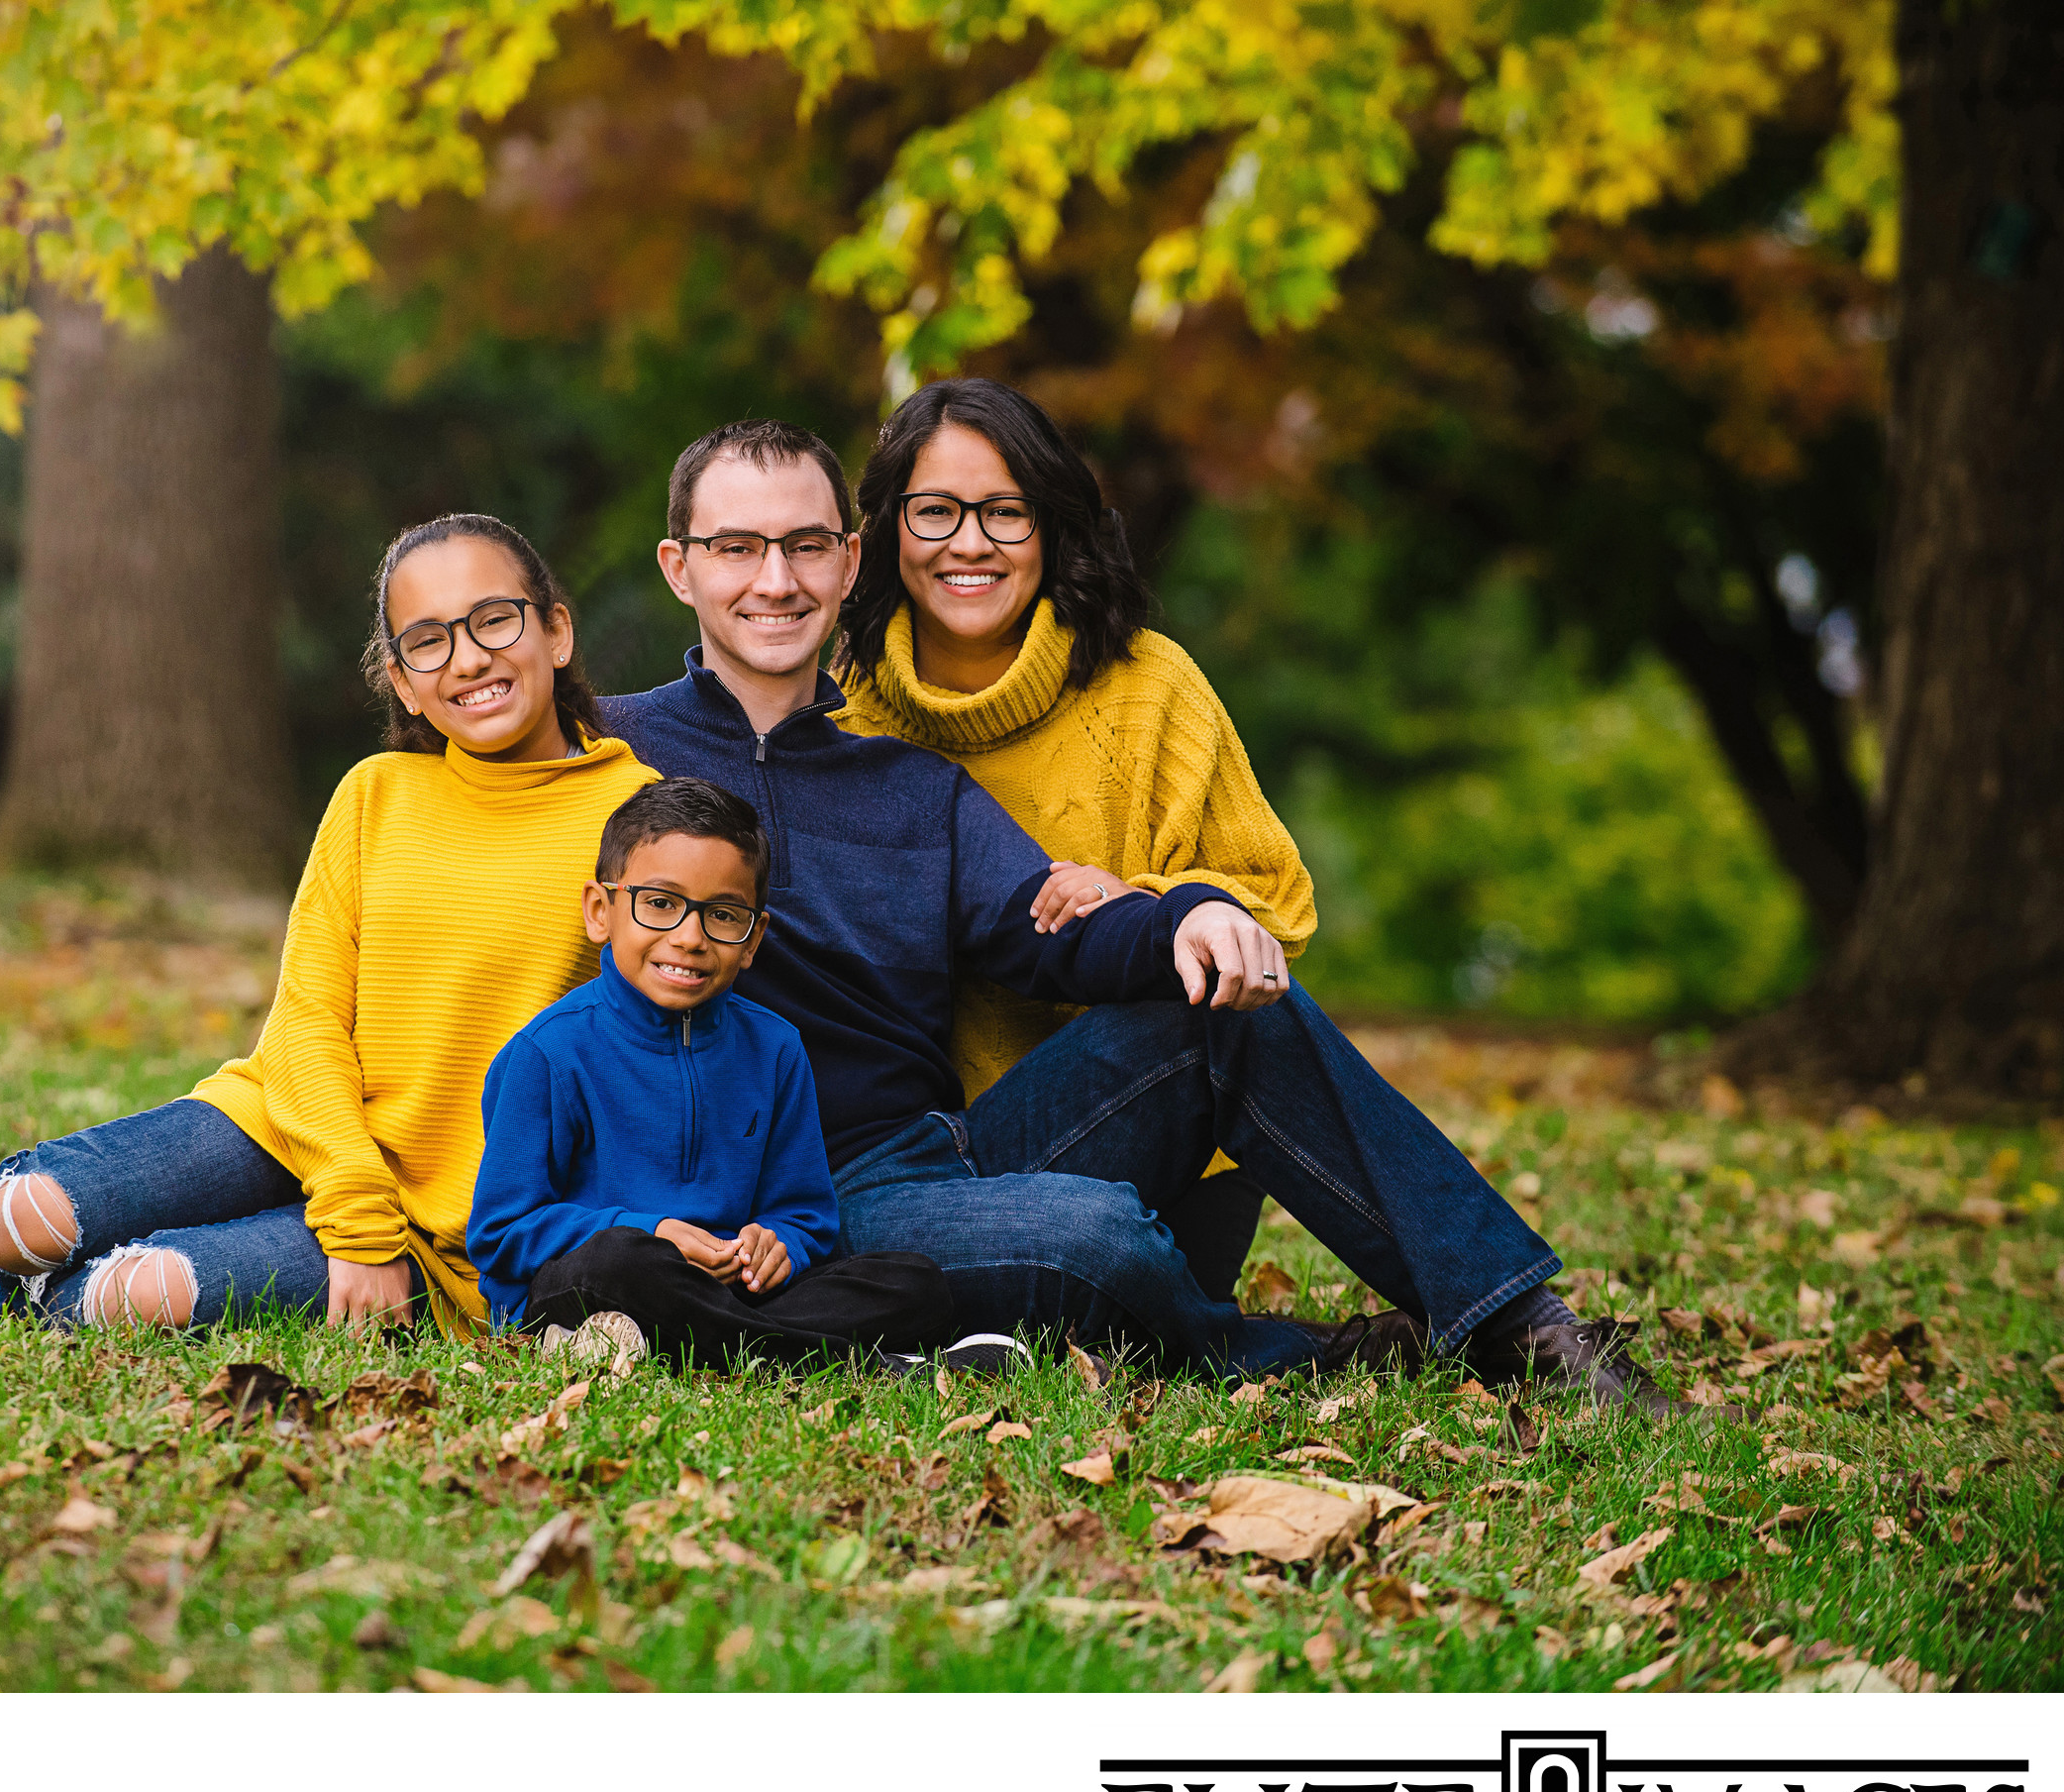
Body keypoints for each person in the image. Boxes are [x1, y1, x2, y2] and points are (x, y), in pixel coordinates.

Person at [600, 418, 1667, 1412]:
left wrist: (1186, 915)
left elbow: (1052, 932)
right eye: (736, 548)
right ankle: (1300, 1355)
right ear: (679, 567)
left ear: (848, 560)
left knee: (1219, 1018)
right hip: (788, 1204)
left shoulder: (910, 782)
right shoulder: (605, 755)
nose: (775, 580)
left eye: (804, 546)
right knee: (1092, 1231)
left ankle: (1521, 1327)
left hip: (923, 1164)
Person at [0, 514, 660, 1336]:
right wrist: (352, 1202)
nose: (470, 658)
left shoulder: (643, 823)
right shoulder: (376, 795)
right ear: (404, 683)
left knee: (134, 1294)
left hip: (443, 1226)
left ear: (556, 631)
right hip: (285, 1128)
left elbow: (649, 1056)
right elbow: (307, 1018)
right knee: (20, 1216)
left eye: (494, 620)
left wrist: (398, 1238)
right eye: (429, 641)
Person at [832, 375, 1312, 1305]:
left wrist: (1153, 905)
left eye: (1005, 512)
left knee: (1237, 1013)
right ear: (887, 531)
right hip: (930, 1169)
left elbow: (1276, 904)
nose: (970, 542)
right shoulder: (843, 713)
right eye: (935, 511)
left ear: (1051, 526)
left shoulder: (1149, 686)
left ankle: (1504, 1315)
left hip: (1151, 1128)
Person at [465, 777, 968, 1373]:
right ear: (601, 911)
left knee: (914, 1281)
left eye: (723, 916)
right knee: (622, 1262)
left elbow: (806, 1215)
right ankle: (852, 1361)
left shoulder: (775, 1048)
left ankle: (710, 1352)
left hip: (726, 1292)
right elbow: (500, 1233)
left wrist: (778, 1243)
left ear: (753, 940)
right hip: (590, 1290)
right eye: (660, 903)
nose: (690, 938)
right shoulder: (548, 1053)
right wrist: (652, 1232)